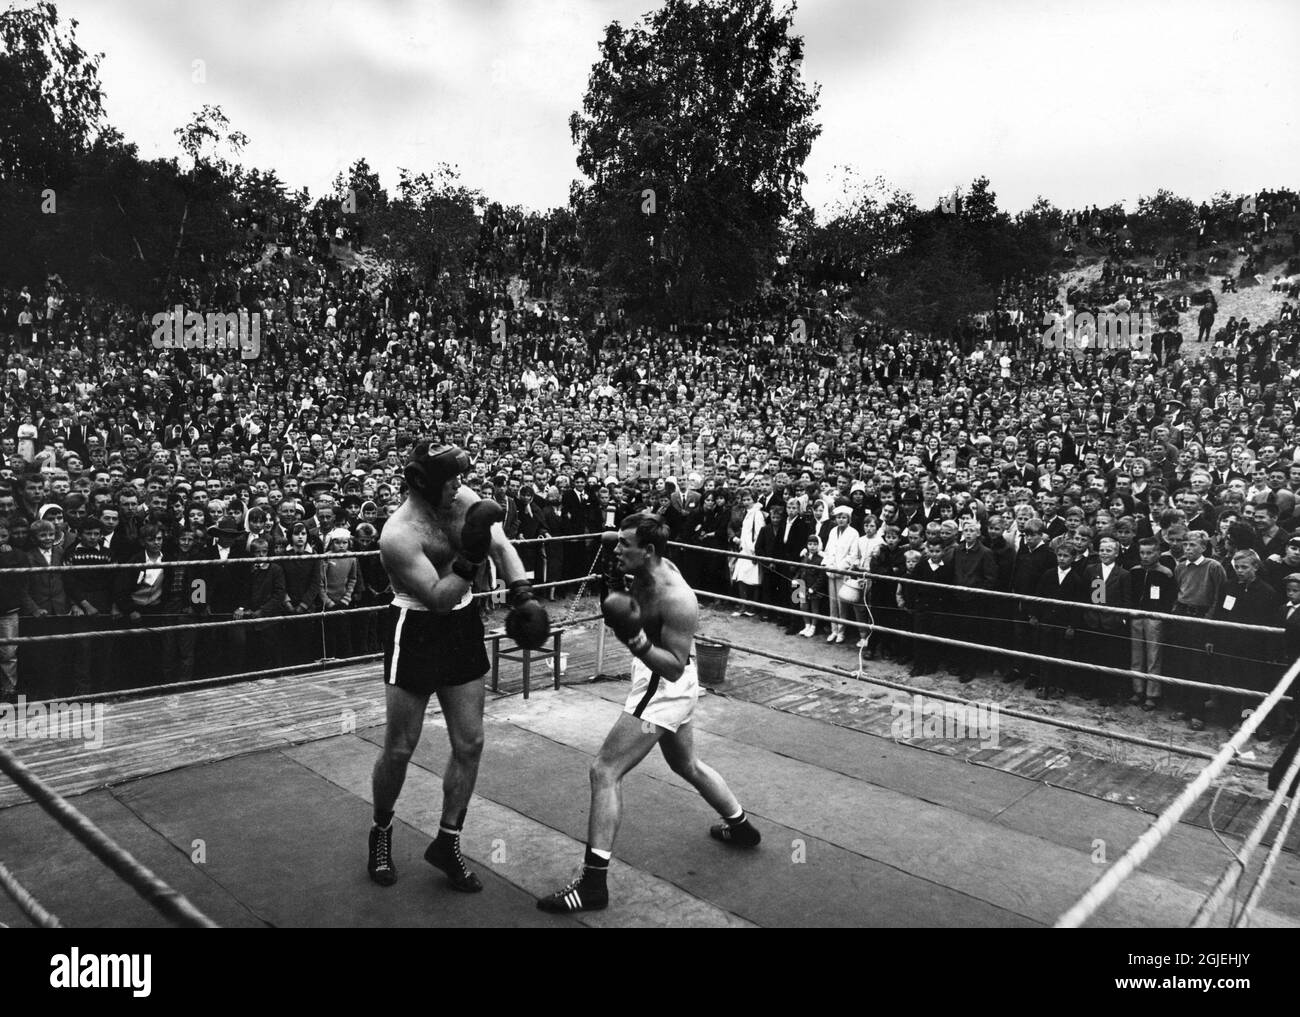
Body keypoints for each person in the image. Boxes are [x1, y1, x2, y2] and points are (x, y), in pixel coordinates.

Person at [537, 513, 759, 914]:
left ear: (650, 551)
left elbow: (674, 667)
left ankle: (593, 884)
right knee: (686, 763)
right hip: (669, 685)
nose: (617, 549)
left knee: (604, 771)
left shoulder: (676, 598)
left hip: (664, 685)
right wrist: (608, 537)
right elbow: (620, 539)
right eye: (617, 542)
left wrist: (634, 638)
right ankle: (742, 828)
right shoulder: (647, 559)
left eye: (625, 544)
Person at [367, 444, 548, 892]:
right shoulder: (398, 534)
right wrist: (469, 558)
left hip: (462, 625)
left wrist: (523, 592)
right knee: (400, 747)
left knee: (470, 742)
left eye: (458, 480)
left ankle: (448, 841)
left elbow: (501, 546)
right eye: (448, 481)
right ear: (420, 483)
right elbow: (438, 597)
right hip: (417, 627)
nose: (458, 488)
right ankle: (382, 830)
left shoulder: (461, 499)